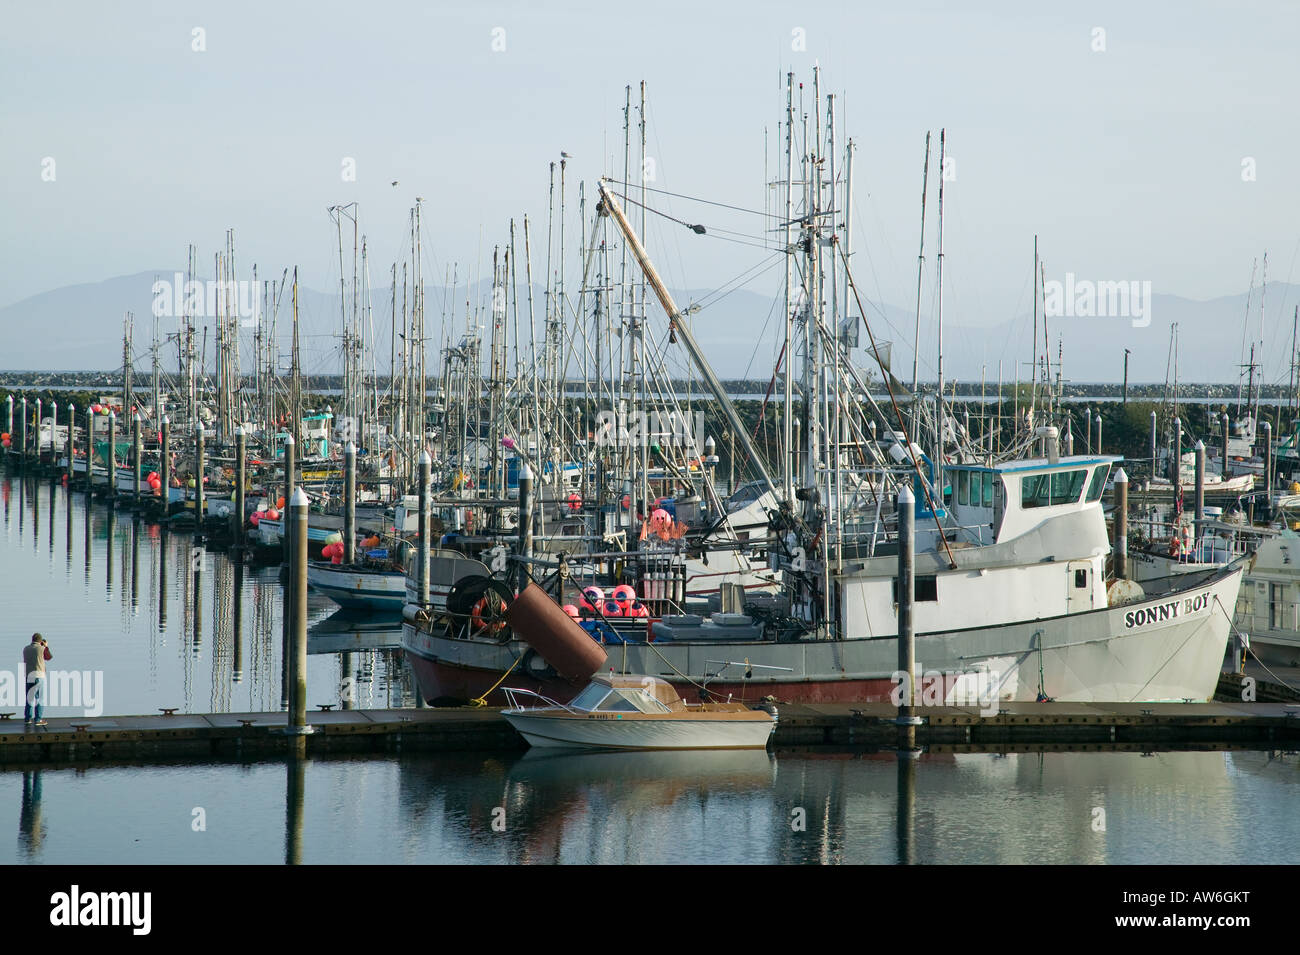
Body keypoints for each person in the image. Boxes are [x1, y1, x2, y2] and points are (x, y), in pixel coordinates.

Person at [22, 633, 51, 725]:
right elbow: (48, 657)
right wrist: (46, 646)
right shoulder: (42, 649)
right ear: (41, 641)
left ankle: (27, 718)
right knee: (39, 698)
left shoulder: (25, 649)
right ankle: (38, 719)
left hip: (28, 675)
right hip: (39, 675)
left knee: (29, 698)